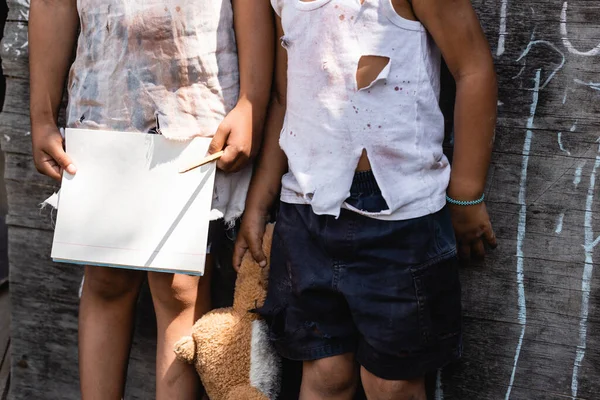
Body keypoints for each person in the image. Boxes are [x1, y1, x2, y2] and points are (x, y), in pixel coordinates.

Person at [233, 0, 497, 399]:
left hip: (400, 217)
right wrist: (260, 200)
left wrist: (466, 193)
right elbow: (285, 100)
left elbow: (473, 68)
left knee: (392, 384)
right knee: (325, 373)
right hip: (306, 211)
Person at [29, 0, 273, 398]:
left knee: (179, 288)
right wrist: (41, 116)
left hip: (192, 107)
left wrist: (252, 102)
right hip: (103, 104)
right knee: (105, 279)